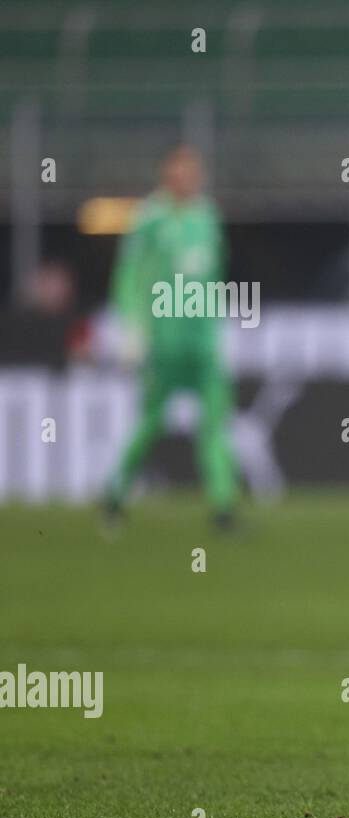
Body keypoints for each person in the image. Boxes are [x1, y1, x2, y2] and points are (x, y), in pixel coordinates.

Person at [102, 145, 238, 530]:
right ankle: (114, 492)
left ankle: (223, 507)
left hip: (202, 342)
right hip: (164, 342)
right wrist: (132, 326)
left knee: (215, 421)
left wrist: (217, 324)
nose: (190, 181)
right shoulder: (150, 218)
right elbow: (128, 274)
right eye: (182, 174)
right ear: (168, 177)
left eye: (194, 174)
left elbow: (214, 278)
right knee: (151, 422)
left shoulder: (208, 217)